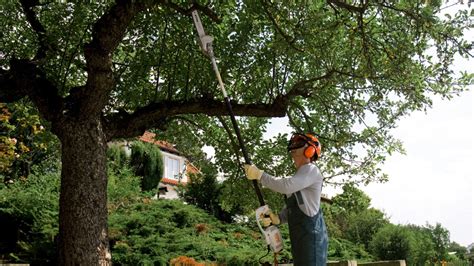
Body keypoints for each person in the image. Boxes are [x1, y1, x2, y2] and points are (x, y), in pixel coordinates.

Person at [244, 133, 328, 266]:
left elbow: (286, 186)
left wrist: (260, 175)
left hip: (312, 240)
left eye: (299, 144)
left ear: (310, 150)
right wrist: (277, 218)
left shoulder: (312, 170)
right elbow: (294, 207)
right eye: (293, 144)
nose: (294, 147)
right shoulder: (298, 178)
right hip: (300, 241)